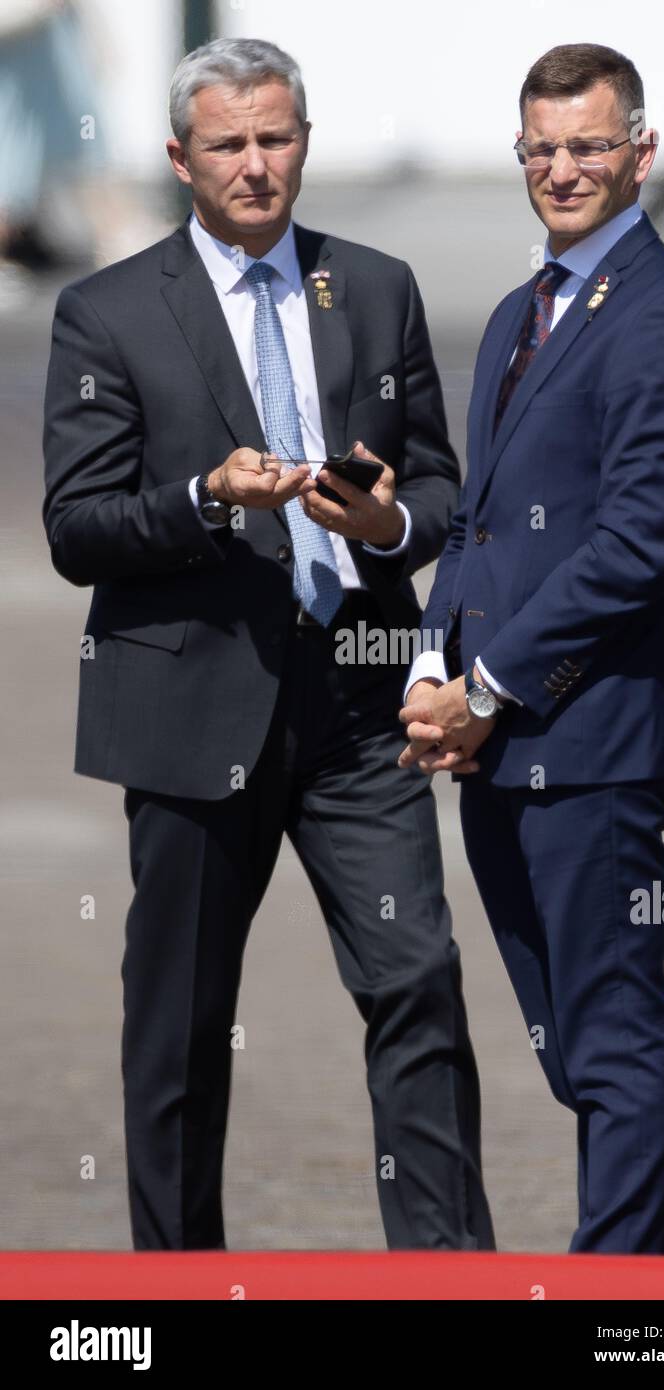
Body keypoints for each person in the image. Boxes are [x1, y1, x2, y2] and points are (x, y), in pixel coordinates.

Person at [42, 37, 495, 1252]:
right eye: (231, 145)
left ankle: (447, 1279)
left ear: (303, 138)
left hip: (356, 703)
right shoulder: (106, 310)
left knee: (417, 984)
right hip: (191, 714)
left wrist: (389, 518)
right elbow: (76, 530)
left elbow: (446, 490)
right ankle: (176, 1285)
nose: (258, 166)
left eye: (277, 138)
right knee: (183, 1025)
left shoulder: (378, 285)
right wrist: (204, 496)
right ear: (180, 157)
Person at [400, 43, 664, 1253]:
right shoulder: (517, 310)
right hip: (494, 740)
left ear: (641, 154)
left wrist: (491, 684)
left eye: (588, 146)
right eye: (540, 149)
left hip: (593, 738)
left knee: (608, 1040)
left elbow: (637, 543)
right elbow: (483, 517)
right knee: (570, 1043)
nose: (561, 169)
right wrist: (428, 665)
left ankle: (624, 1303)